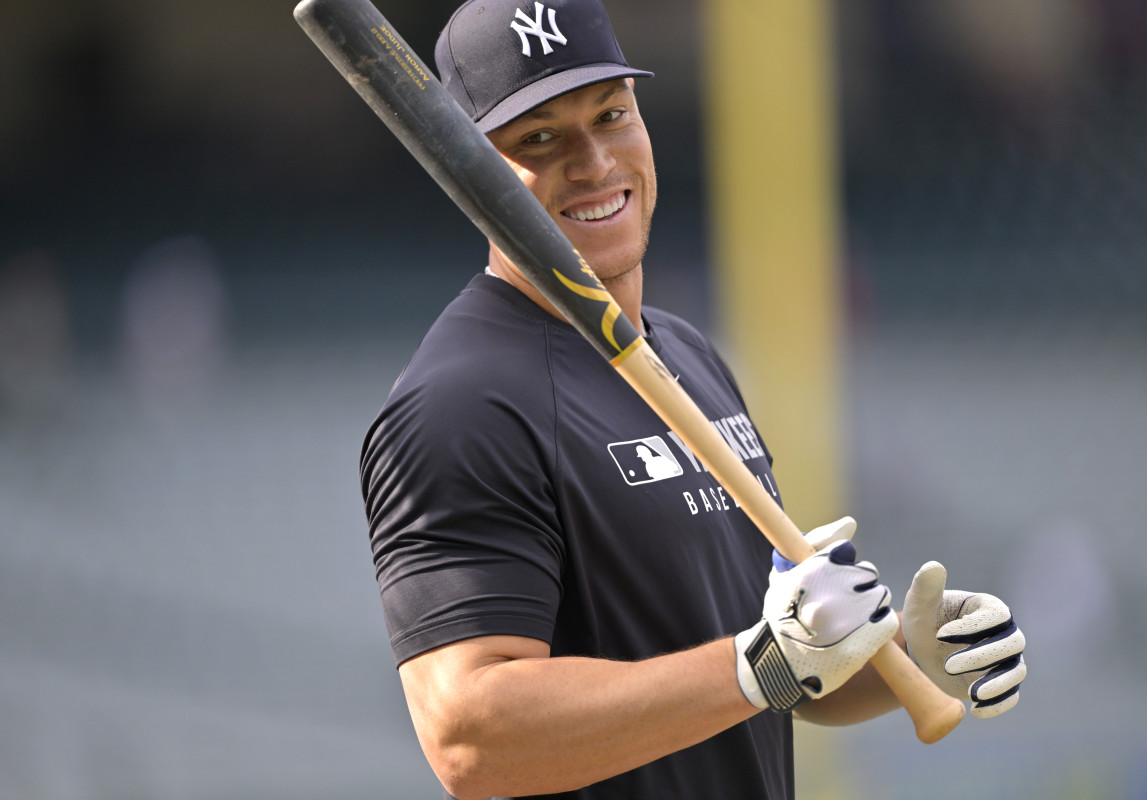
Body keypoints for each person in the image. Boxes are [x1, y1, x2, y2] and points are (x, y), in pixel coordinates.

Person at [358, 1, 1027, 798]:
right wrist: (758, 668)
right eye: (540, 138)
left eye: (611, 116)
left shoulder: (685, 358)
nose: (596, 162)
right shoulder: (460, 405)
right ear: (470, 172)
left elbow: (747, 668)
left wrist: (893, 656)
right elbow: (471, 737)